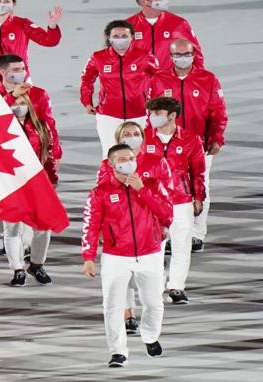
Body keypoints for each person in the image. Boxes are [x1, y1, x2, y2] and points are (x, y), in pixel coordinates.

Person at [82, 142, 170, 367]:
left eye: (130, 157)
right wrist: (88, 257)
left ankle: (150, 336)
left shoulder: (151, 184)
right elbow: (91, 225)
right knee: (112, 305)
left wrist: (143, 190)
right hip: (116, 256)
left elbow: (167, 214)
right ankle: (118, 352)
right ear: (110, 164)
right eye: (121, 159)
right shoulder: (100, 193)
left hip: (150, 253)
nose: (127, 162)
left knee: (154, 303)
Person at [91, 119, 169, 334]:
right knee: (122, 276)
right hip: (121, 232)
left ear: (143, 137)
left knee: (151, 277)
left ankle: (151, 319)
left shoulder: (156, 162)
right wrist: (99, 230)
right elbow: (101, 196)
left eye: (136, 133)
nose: (132, 137)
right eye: (127, 134)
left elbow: (165, 196)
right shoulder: (108, 165)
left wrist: (164, 223)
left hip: (150, 231)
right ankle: (128, 314)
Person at [147, 36, 222, 250]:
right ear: (170, 56)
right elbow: (150, 113)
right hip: (167, 143)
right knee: (167, 187)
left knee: (200, 186)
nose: (183, 58)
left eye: (187, 54)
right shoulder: (159, 79)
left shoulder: (208, 79)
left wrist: (216, 137)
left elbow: (218, 111)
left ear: (194, 55)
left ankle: (197, 233)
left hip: (199, 144)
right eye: (178, 55)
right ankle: (170, 232)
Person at [0, 54, 60, 285]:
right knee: (12, 226)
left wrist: (55, 156)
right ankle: (18, 269)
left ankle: (37, 264)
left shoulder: (38, 95)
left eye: (23, 68)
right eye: (15, 69)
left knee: (43, 225)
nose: (21, 72)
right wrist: (10, 96)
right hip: (9, 176)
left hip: (37, 175)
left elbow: (49, 125)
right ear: (3, 72)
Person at [142, 95, 204, 303]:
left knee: (181, 245)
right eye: (151, 114)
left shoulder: (190, 139)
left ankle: (176, 287)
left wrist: (198, 197)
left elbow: (198, 171)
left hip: (181, 200)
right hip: (152, 201)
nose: (152, 118)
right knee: (155, 246)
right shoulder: (143, 138)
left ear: (172, 116)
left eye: (157, 114)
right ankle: (156, 287)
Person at [79, 20, 155, 158]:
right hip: (108, 114)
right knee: (110, 154)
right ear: (109, 38)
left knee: (141, 155)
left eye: (124, 36)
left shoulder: (144, 56)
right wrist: (87, 101)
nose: (120, 40)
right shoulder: (98, 57)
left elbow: (160, 79)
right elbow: (86, 79)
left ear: (132, 37)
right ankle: (107, 180)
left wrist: (156, 105)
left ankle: (140, 180)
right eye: (116, 36)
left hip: (140, 113)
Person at [0, 0, 62, 85]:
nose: (2, 5)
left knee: (21, 106)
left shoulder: (23, 24)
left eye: (6, 1)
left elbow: (50, 41)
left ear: (13, 4)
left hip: (18, 79)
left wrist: (52, 25)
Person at [126, 0, 201, 70]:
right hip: (140, 82)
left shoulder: (178, 23)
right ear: (144, 1)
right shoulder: (127, 27)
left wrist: (197, 80)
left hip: (169, 81)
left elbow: (196, 55)